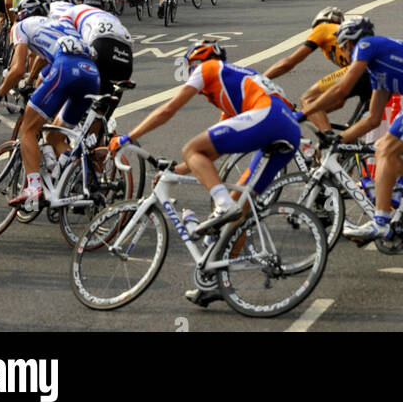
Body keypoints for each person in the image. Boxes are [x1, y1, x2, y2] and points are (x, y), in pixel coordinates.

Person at [109, 36, 301, 306]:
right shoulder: (232, 91)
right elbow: (213, 151)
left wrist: (128, 138)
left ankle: (222, 206)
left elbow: (169, 109)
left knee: (193, 150)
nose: (190, 75)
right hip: (287, 128)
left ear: (195, 63)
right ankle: (218, 282)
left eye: (189, 68)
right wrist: (176, 170)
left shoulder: (208, 69)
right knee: (240, 209)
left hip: (268, 116)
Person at [304, 16, 403, 243]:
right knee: (382, 146)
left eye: (343, 49)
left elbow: (342, 90)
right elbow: (373, 120)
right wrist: (338, 140)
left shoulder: (366, 45)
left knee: (386, 149)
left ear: (349, 43)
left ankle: (380, 222)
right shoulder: (378, 73)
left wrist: (304, 111)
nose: (345, 55)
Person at [0, 0, 100, 212]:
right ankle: (72, 174)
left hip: (66, 69)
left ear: (22, 12)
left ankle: (34, 189)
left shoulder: (21, 26)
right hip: (91, 74)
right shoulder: (58, 24)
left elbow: (18, 68)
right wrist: (33, 81)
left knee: (28, 129)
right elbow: (43, 59)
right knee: (55, 133)